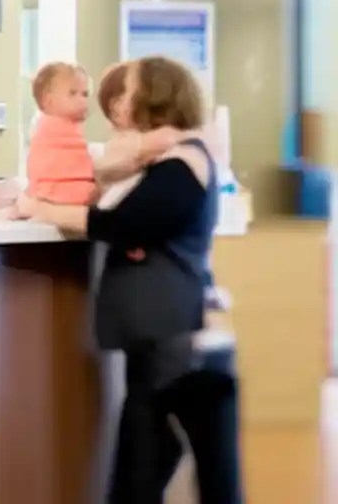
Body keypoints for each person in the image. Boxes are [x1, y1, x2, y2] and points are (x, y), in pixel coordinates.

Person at [19, 56, 242, 504]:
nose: (119, 103)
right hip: (157, 348)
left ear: (155, 97)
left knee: (181, 478)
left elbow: (119, 223)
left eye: (130, 91)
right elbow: (109, 184)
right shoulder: (162, 161)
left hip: (177, 352)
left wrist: (41, 209)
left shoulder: (183, 164)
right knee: (142, 479)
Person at [25, 61, 96, 205]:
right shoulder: (49, 128)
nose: (82, 100)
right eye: (72, 93)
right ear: (48, 100)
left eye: (85, 94)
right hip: (53, 191)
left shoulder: (71, 126)